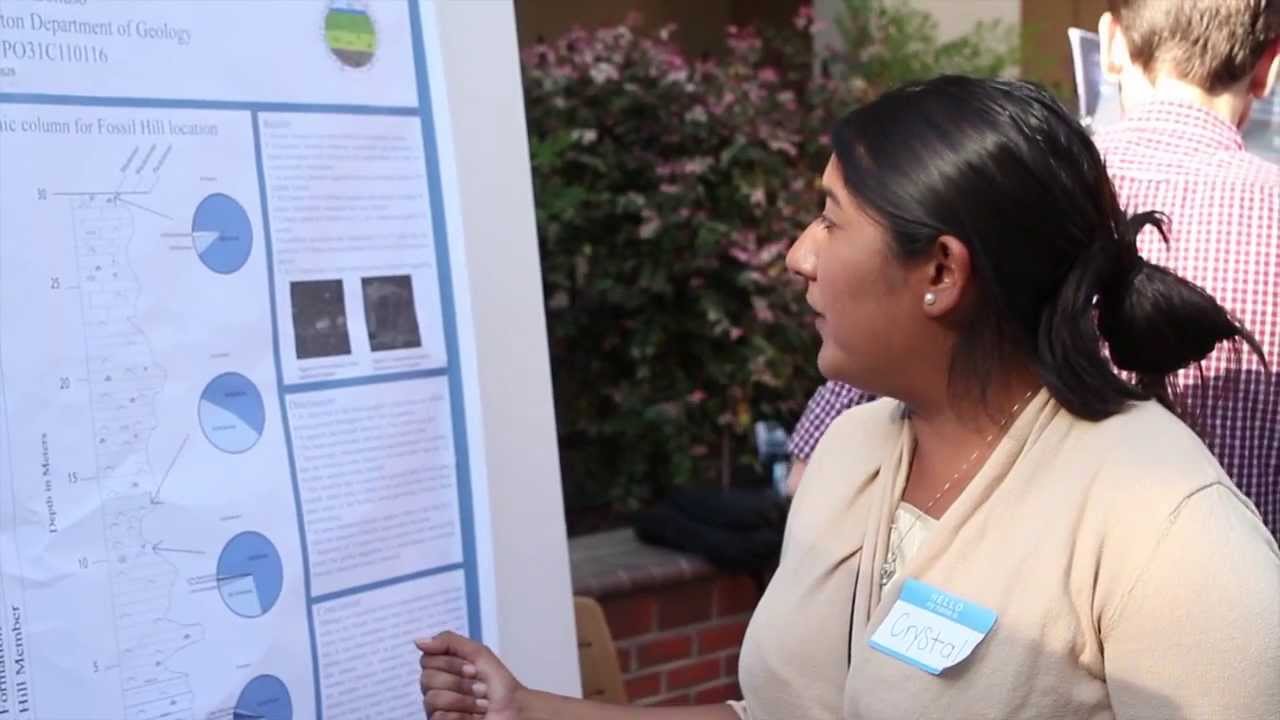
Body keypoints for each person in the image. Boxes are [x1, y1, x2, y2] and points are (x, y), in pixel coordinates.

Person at [418, 76, 1280, 719]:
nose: (799, 254)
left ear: (940, 272)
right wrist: (529, 708)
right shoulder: (854, 452)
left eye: (830, 219)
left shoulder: (1168, 531)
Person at [787, 0, 1280, 539]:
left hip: (1004, 591)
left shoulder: (1008, 179)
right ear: (1268, 67)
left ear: (1111, 46)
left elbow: (809, 472)